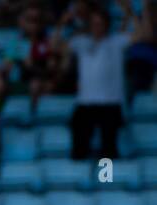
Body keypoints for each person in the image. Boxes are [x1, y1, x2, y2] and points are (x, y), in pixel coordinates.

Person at [58, 4, 135, 160]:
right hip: (86, 103)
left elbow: (144, 35)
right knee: (78, 146)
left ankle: (107, 180)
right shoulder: (80, 42)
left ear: (107, 24)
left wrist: (130, 13)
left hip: (110, 103)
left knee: (109, 149)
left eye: (100, 23)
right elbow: (55, 46)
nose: (96, 27)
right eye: (93, 23)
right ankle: (78, 178)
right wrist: (62, 23)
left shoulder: (117, 41)